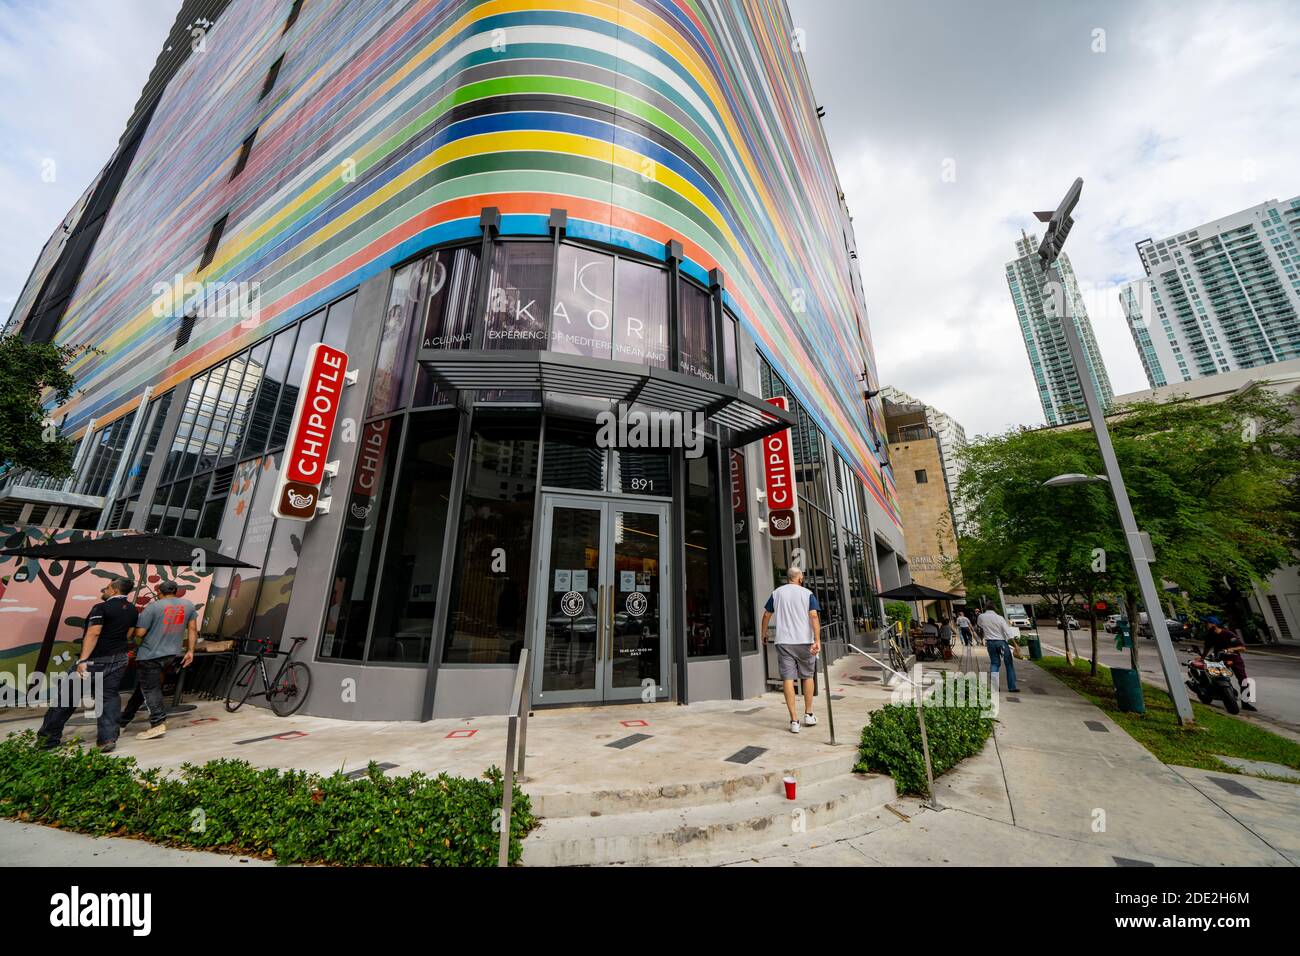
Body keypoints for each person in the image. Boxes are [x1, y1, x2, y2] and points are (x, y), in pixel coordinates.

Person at [37, 577, 138, 752]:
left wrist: (83, 660)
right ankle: (107, 739)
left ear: (114, 590)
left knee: (67, 697)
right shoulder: (133, 610)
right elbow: (129, 634)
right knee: (108, 697)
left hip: (94, 660)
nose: (103, 591)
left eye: (106, 588)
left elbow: (93, 633)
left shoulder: (101, 608)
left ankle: (47, 739)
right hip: (119, 658)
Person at [120, 580, 199, 738]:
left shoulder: (153, 607)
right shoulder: (188, 605)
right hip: (171, 655)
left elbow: (140, 633)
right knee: (144, 688)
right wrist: (191, 651)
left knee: (150, 689)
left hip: (150, 655)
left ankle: (158, 723)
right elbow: (193, 629)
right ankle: (123, 720)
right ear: (175, 591)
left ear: (158, 592)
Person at [760, 567, 822, 734]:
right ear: (800, 578)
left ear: (788, 578)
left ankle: (794, 721)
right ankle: (808, 714)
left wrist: (763, 633)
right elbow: (814, 616)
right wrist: (817, 640)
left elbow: (766, 614)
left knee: (788, 678)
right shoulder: (807, 593)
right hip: (805, 642)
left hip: (784, 642)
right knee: (808, 676)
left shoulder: (777, 593)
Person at [1201, 618, 1256, 711]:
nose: (1205, 625)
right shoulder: (1210, 636)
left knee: (1243, 680)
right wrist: (1202, 657)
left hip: (1234, 659)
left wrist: (1232, 649)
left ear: (1214, 625)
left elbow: (1242, 648)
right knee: (1216, 677)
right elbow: (1207, 648)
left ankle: (1245, 703)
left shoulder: (1228, 634)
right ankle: (1225, 694)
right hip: (1219, 659)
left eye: (1207, 623)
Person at [976, 605, 1019, 693]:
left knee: (994, 663)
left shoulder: (981, 616)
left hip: (990, 643)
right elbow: (1008, 631)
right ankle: (1012, 687)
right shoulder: (1000, 618)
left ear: (985, 608)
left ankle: (995, 687)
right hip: (1001, 642)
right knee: (1008, 664)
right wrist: (1015, 644)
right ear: (995, 608)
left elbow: (979, 624)